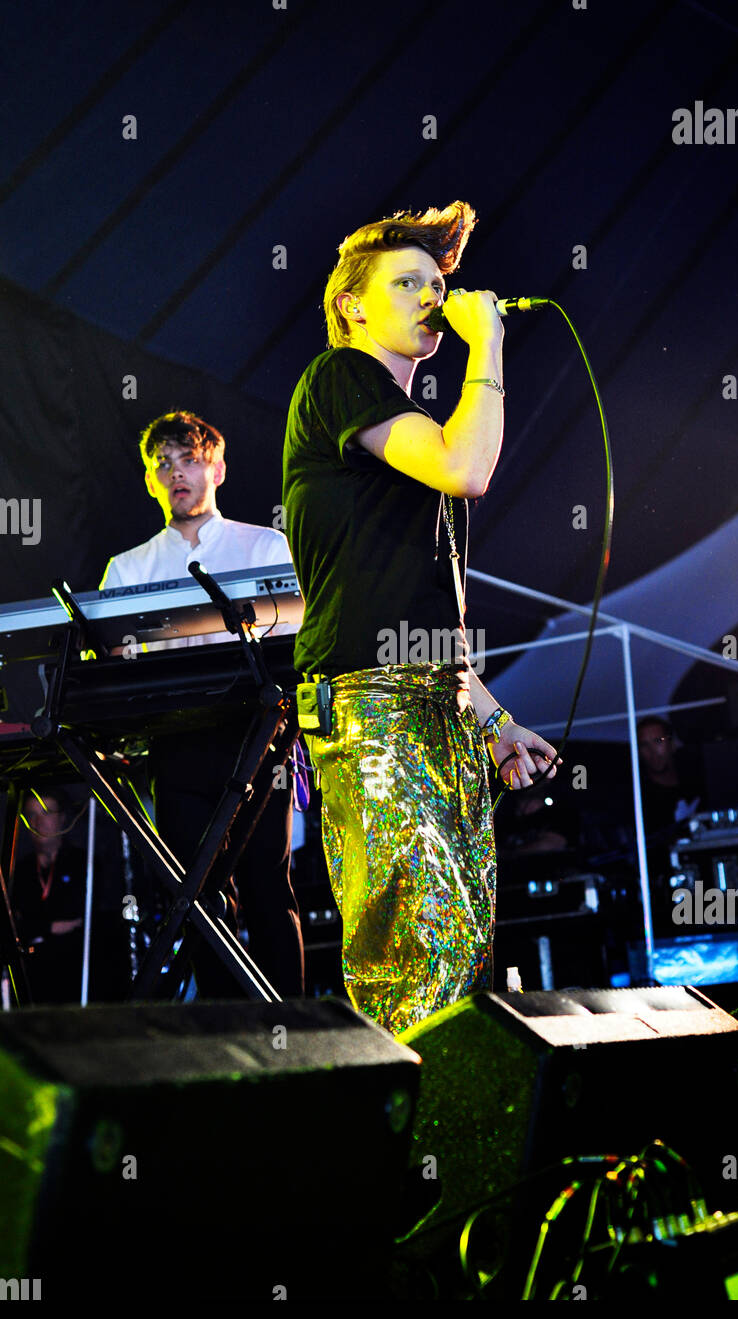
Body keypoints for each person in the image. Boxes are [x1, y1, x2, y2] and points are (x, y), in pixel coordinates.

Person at [282, 201, 559, 1033]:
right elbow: (467, 469)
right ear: (351, 307)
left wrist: (494, 718)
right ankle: (409, 1148)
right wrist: (490, 347)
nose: (429, 296)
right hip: (370, 701)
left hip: (432, 698)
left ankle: (461, 1139)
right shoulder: (339, 380)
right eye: (404, 283)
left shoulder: (410, 439)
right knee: (415, 947)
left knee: (460, 943)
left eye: (437, 283)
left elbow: (423, 614)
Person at [101, 411, 303, 998]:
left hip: (258, 738)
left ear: (217, 467)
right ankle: (225, 1040)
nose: (174, 472)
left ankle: (293, 1036)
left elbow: (294, 647)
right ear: (149, 479)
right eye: (161, 462)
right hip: (178, 747)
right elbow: (110, 668)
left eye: (188, 458)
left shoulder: (265, 546)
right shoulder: (129, 568)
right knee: (198, 896)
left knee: (269, 887)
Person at [12, 788, 87, 1003]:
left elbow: (85, 920)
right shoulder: (19, 872)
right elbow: (15, 927)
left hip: (74, 976)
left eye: (46, 812)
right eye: (31, 815)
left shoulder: (82, 863)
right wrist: (50, 927)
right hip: (32, 980)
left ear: (62, 818)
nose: (38, 822)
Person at [636, 715, 702, 835]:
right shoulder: (639, 799)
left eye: (658, 741)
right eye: (644, 745)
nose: (652, 751)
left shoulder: (697, 785)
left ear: (672, 745)